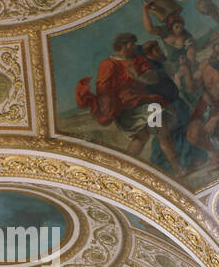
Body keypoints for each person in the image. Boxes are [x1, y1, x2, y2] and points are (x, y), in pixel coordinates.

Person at [76, 32, 187, 173]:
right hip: (126, 108)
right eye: (130, 43)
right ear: (121, 45)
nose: (133, 46)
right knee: (143, 137)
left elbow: (153, 78)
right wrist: (108, 108)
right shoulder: (109, 64)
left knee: (157, 131)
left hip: (145, 104)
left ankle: (175, 168)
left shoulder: (138, 60)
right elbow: (103, 89)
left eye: (134, 43)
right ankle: (124, 172)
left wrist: (139, 77)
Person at [179, 41, 219, 172]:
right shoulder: (204, 65)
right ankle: (216, 154)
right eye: (214, 51)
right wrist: (186, 71)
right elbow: (192, 87)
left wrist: (215, 119)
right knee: (193, 135)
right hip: (205, 106)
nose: (214, 55)